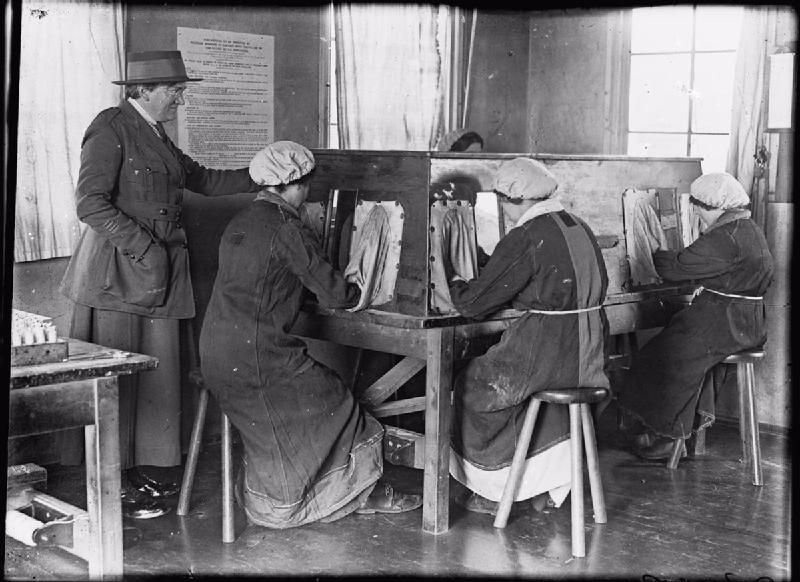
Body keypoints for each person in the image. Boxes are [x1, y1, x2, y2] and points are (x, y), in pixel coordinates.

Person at [59, 50, 262, 519]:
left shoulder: (156, 135)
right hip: (119, 275)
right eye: (175, 91)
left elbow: (206, 181)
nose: (180, 100)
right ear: (142, 90)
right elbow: (90, 203)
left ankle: (132, 474)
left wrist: (264, 175)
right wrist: (146, 247)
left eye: (181, 91)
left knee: (149, 379)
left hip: (155, 275)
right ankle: (114, 482)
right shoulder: (110, 127)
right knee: (119, 381)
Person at [198, 141, 422, 528]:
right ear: (296, 186)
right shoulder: (287, 228)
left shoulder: (241, 220)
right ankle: (356, 495)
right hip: (257, 358)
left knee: (310, 403)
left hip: (217, 352)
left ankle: (307, 494)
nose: (307, 195)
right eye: (306, 187)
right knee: (341, 402)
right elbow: (335, 293)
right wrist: (359, 285)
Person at [444, 157, 610, 515]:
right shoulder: (578, 225)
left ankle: (494, 492)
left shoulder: (526, 234)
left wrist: (454, 279)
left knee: (473, 384)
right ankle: (547, 488)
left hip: (548, 346)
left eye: (503, 201)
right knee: (537, 396)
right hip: (589, 354)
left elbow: (473, 305)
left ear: (512, 199)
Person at [618, 172, 774, 459]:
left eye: (699, 209)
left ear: (711, 207)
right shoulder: (747, 227)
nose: (697, 215)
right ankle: (657, 429)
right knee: (671, 346)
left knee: (663, 355)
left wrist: (653, 249)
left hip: (724, 322)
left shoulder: (724, 237)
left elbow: (675, 268)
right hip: (746, 323)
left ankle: (665, 436)